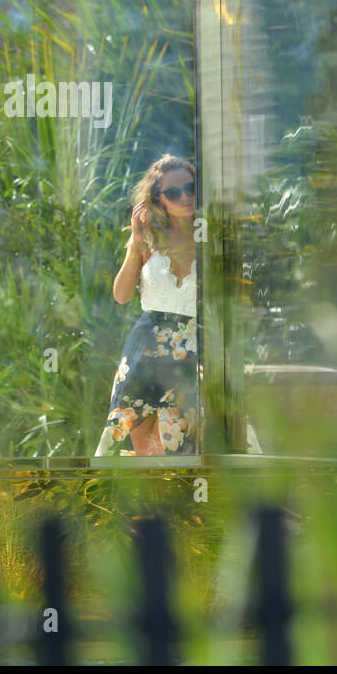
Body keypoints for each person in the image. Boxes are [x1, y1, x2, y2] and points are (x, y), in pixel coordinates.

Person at [95, 155, 204, 456]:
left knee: (174, 450)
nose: (185, 196)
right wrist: (136, 239)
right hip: (145, 351)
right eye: (173, 192)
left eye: (191, 187)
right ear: (158, 199)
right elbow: (121, 294)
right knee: (144, 455)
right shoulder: (148, 239)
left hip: (193, 352)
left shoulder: (210, 239)